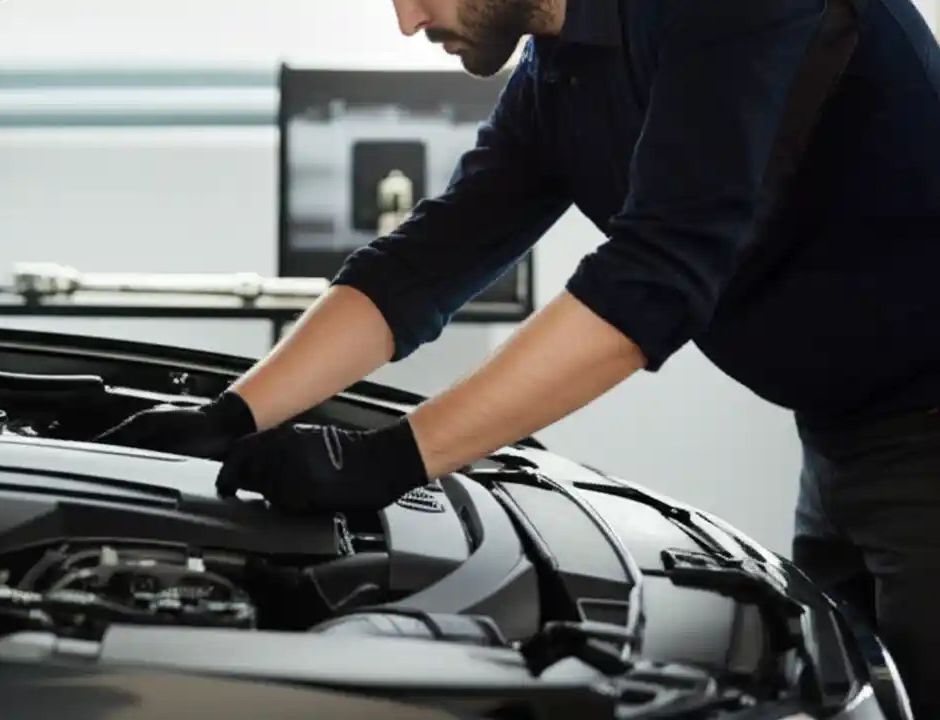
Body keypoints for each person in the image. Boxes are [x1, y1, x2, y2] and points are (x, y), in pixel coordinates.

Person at [97, 0, 940, 712]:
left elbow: (657, 273)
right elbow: (423, 264)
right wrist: (231, 415)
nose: (406, 19)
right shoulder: (560, 73)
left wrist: (387, 460)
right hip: (843, 434)